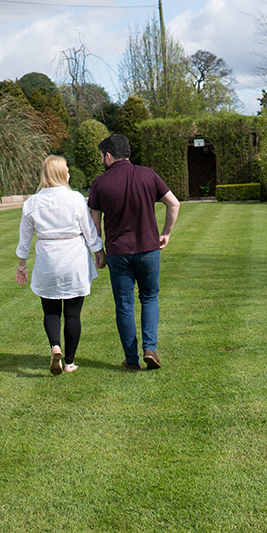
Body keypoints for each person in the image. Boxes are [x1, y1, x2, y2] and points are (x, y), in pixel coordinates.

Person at [88, 134, 180, 371]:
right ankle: (150, 348)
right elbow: (174, 203)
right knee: (149, 297)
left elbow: (94, 225)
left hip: (118, 252)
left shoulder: (100, 183)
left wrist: (98, 251)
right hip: (149, 248)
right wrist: (166, 232)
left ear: (108, 156)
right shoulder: (148, 174)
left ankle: (131, 360)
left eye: (101, 156)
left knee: (124, 305)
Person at [16, 155, 105, 375]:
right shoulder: (75, 199)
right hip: (73, 258)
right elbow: (89, 230)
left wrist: (21, 266)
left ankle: (55, 346)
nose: (68, 173)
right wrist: (99, 252)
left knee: (51, 311)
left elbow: (24, 239)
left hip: (48, 260)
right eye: (66, 169)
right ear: (60, 173)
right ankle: (70, 362)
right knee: (73, 315)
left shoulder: (32, 203)